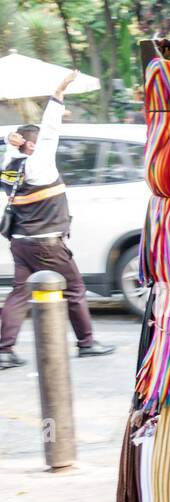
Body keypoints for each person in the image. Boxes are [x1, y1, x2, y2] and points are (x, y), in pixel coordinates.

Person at [0, 69, 115, 370]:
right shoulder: (40, 163)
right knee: (75, 289)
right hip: (47, 244)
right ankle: (87, 342)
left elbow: (17, 146)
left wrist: (14, 143)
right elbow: (50, 127)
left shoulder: (10, 166)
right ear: (34, 144)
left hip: (21, 243)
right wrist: (59, 91)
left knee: (19, 293)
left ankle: (4, 350)